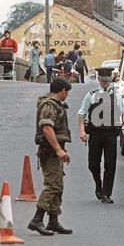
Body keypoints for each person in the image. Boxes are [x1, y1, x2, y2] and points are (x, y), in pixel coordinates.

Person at [28, 78, 73, 236]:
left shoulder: (55, 104)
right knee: (53, 185)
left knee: (58, 185)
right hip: (50, 150)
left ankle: (53, 221)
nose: (67, 95)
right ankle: (37, 219)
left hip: (54, 149)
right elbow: (47, 128)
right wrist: (58, 150)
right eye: (67, 91)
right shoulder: (49, 105)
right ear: (62, 91)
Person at [78, 68, 124, 204]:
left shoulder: (117, 95)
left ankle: (106, 193)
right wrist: (82, 131)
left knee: (110, 164)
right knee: (93, 164)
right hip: (95, 133)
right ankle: (98, 184)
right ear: (99, 80)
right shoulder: (91, 95)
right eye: (102, 80)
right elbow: (81, 114)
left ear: (110, 80)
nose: (105, 82)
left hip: (111, 133)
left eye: (107, 80)